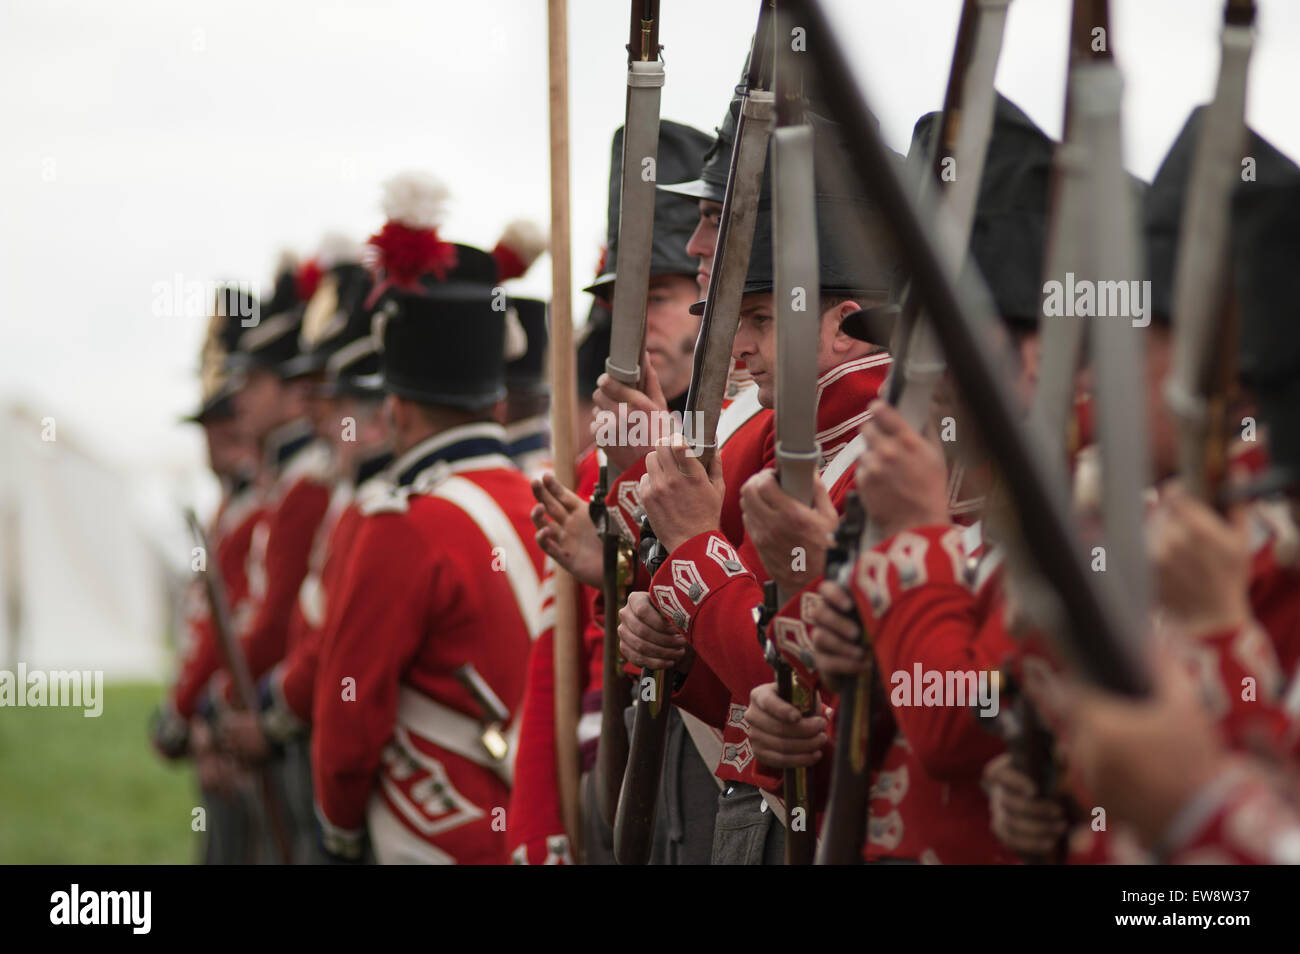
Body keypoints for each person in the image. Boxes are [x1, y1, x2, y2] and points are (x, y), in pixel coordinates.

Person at [311, 172, 547, 864]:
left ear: (398, 408)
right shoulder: (545, 498)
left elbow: (348, 724)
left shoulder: (400, 526)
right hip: (547, 826)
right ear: (496, 403)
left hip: (437, 834)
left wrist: (339, 826)